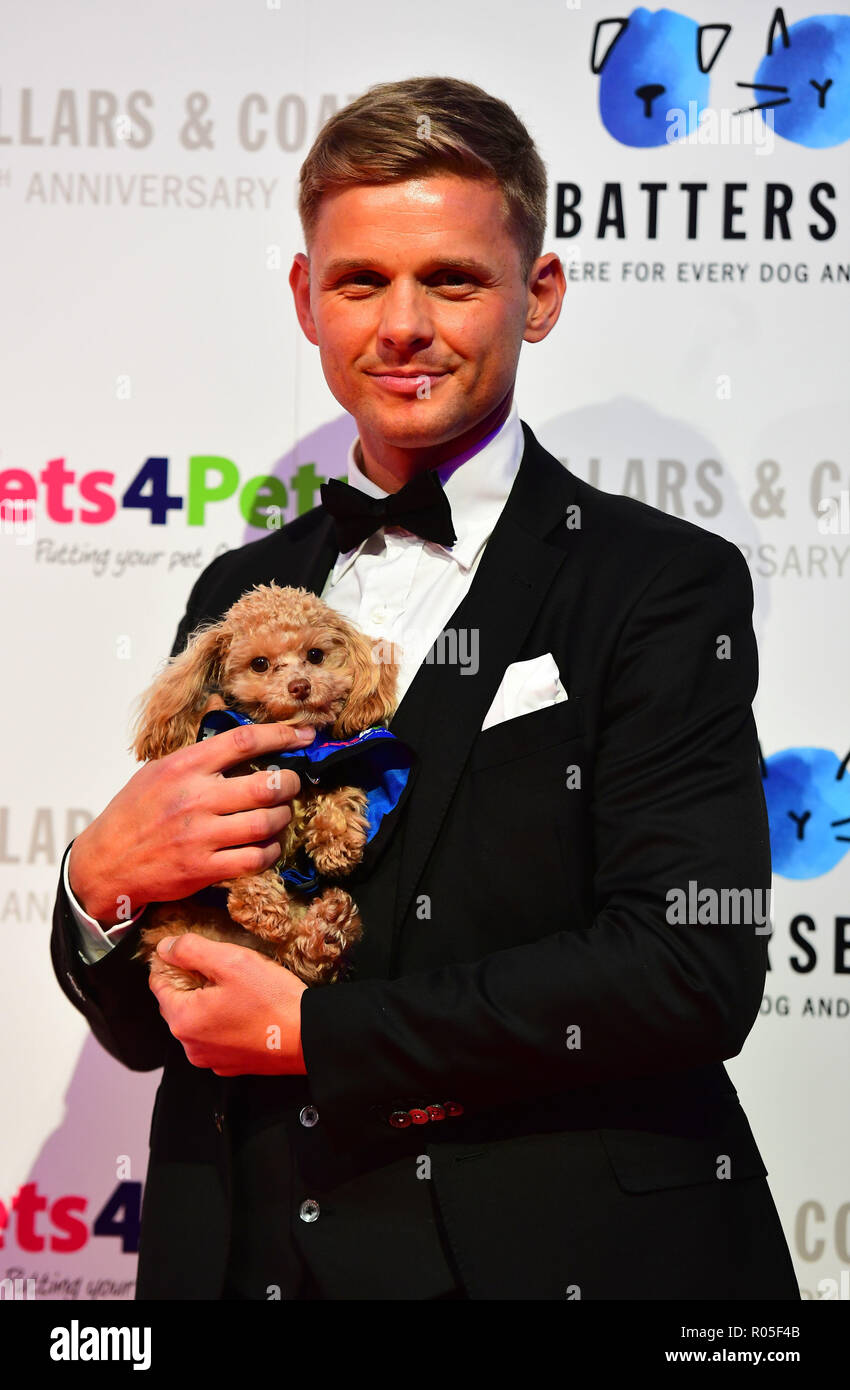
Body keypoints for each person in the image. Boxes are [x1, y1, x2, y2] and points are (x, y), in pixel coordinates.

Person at [51, 75, 800, 1301]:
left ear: (537, 294)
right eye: (360, 282)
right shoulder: (241, 590)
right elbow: (152, 1018)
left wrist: (316, 1037)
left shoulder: (658, 584)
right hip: (245, 1253)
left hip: (548, 1258)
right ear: (305, 298)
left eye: (450, 278)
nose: (402, 325)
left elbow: (690, 966)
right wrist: (97, 884)